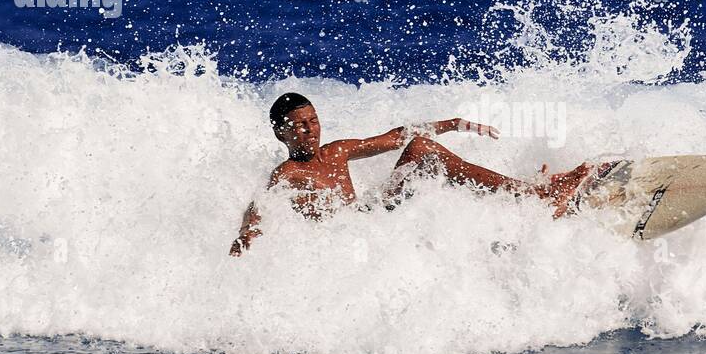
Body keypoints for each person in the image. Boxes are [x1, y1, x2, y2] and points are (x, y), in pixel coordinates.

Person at [229, 92, 597, 255]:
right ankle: (537, 196)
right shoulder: (287, 173)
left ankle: (533, 193)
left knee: (421, 148)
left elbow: (394, 138)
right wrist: (244, 243)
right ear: (282, 133)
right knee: (421, 152)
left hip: (370, 218)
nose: (311, 130)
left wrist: (452, 123)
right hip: (351, 242)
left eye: (313, 121)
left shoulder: (336, 151)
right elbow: (257, 207)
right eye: (300, 126)